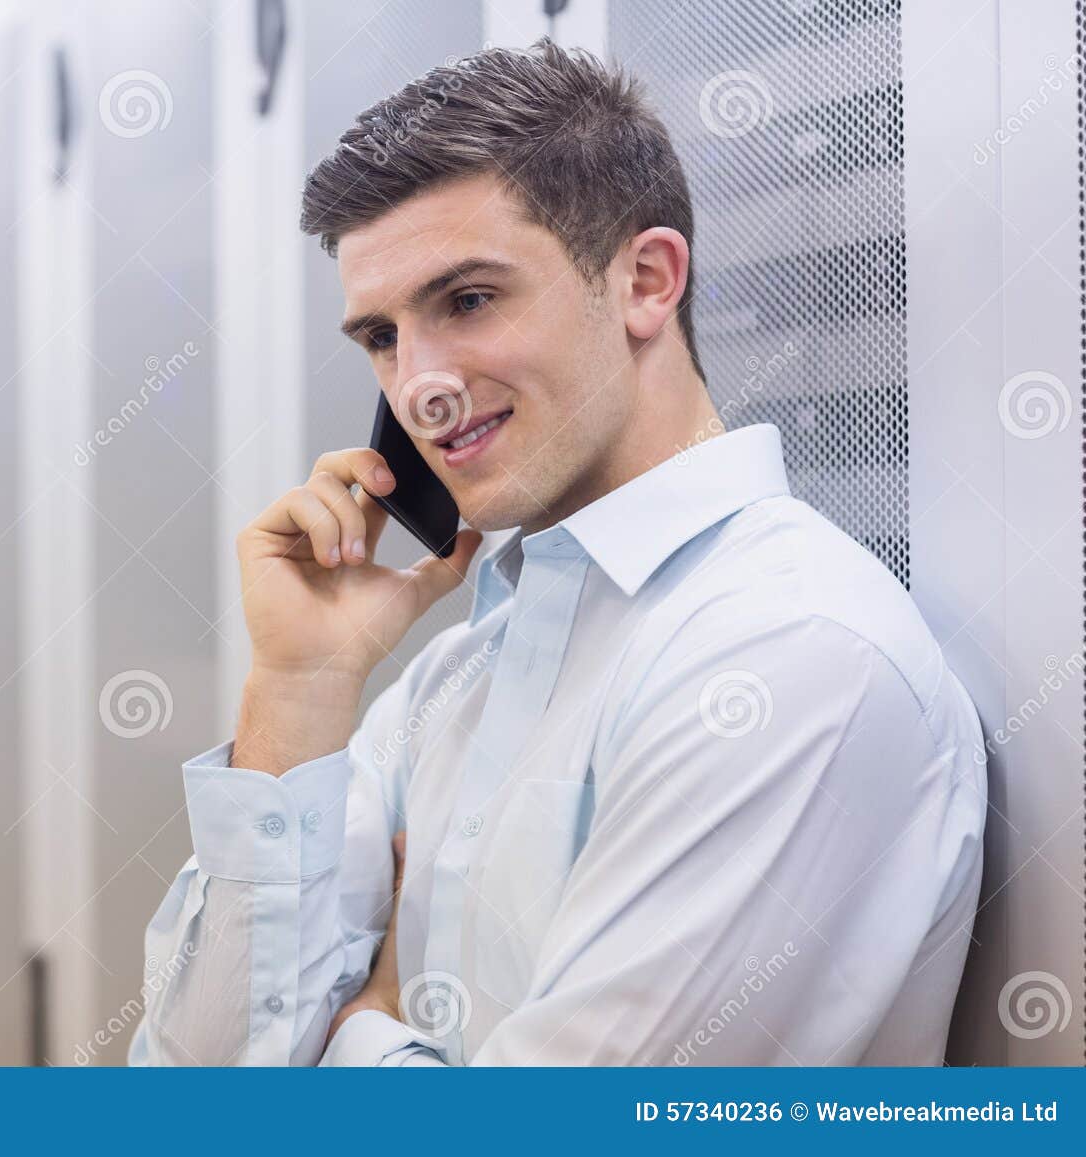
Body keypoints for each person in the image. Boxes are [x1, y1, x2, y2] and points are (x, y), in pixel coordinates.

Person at [129, 38, 985, 1066]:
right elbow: (189, 1084)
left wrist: (355, 1025)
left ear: (646, 282)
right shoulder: (454, 677)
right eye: (383, 337)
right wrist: (298, 689)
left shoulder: (790, 653)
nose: (419, 387)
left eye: (467, 300)